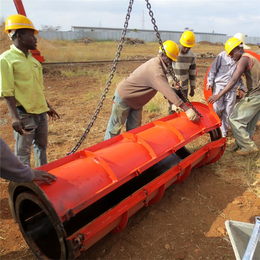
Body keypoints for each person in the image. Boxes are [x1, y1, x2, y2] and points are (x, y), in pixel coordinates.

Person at [104, 40, 199, 140]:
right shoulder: (155, 70)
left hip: (137, 102)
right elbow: (166, 89)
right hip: (125, 98)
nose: (171, 63)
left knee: (134, 130)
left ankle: (130, 152)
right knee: (114, 129)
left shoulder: (159, 65)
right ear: (163, 55)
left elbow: (164, 87)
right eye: (170, 60)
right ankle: (106, 152)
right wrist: (186, 109)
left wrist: (173, 104)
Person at [0, 14, 60, 167]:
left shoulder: (33, 61)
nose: (36, 39)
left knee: (41, 147)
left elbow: (37, 88)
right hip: (24, 113)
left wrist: (47, 106)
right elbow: (7, 91)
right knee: (23, 152)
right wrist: (14, 118)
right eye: (32, 35)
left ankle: (43, 174)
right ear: (19, 35)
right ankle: (25, 184)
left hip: (40, 112)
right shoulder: (6, 59)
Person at [208, 37, 260, 155]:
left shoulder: (243, 59)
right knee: (250, 122)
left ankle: (248, 146)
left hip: (255, 95)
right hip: (258, 95)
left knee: (234, 118)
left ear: (238, 49)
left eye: (231, 53)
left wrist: (218, 95)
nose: (231, 57)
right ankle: (241, 145)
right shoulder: (251, 58)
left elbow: (233, 80)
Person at [206, 46, 246, 137]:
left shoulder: (241, 59)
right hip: (219, 86)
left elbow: (241, 76)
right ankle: (215, 130)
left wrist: (242, 88)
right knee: (217, 109)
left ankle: (223, 133)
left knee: (228, 111)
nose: (231, 56)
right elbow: (213, 70)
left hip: (231, 89)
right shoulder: (221, 56)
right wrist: (210, 82)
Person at [168, 31, 197, 114]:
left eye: (189, 47)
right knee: (172, 108)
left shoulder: (192, 56)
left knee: (184, 108)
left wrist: (192, 88)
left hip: (184, 88)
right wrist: (172, 82)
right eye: (185, 47)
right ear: (181, 43)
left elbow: (192, 72)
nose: (187, 49)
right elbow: (168, 70)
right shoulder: (174, 53)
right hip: (173, 87)